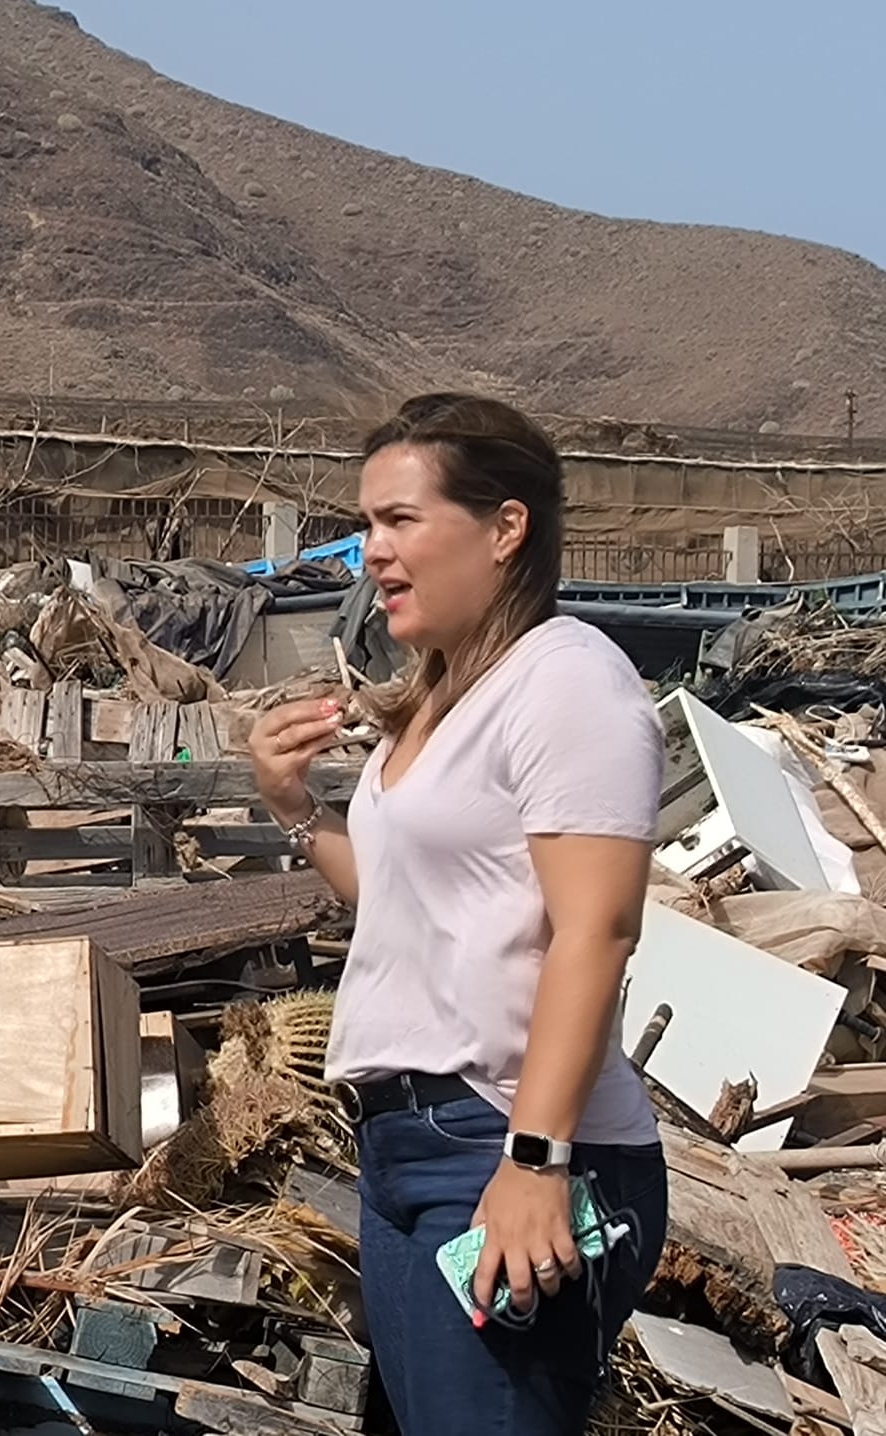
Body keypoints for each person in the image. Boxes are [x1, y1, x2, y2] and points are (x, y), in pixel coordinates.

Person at [248, 393, 668, 1434]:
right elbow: (403, 908)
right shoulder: (440, 698)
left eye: (398, 522)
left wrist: (535, 1162)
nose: (369, 554)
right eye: (365, 526)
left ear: (503, 526)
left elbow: (597, 931)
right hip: (401, 1145)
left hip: (501, 1137)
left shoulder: (564, 684)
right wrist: (295, 810)